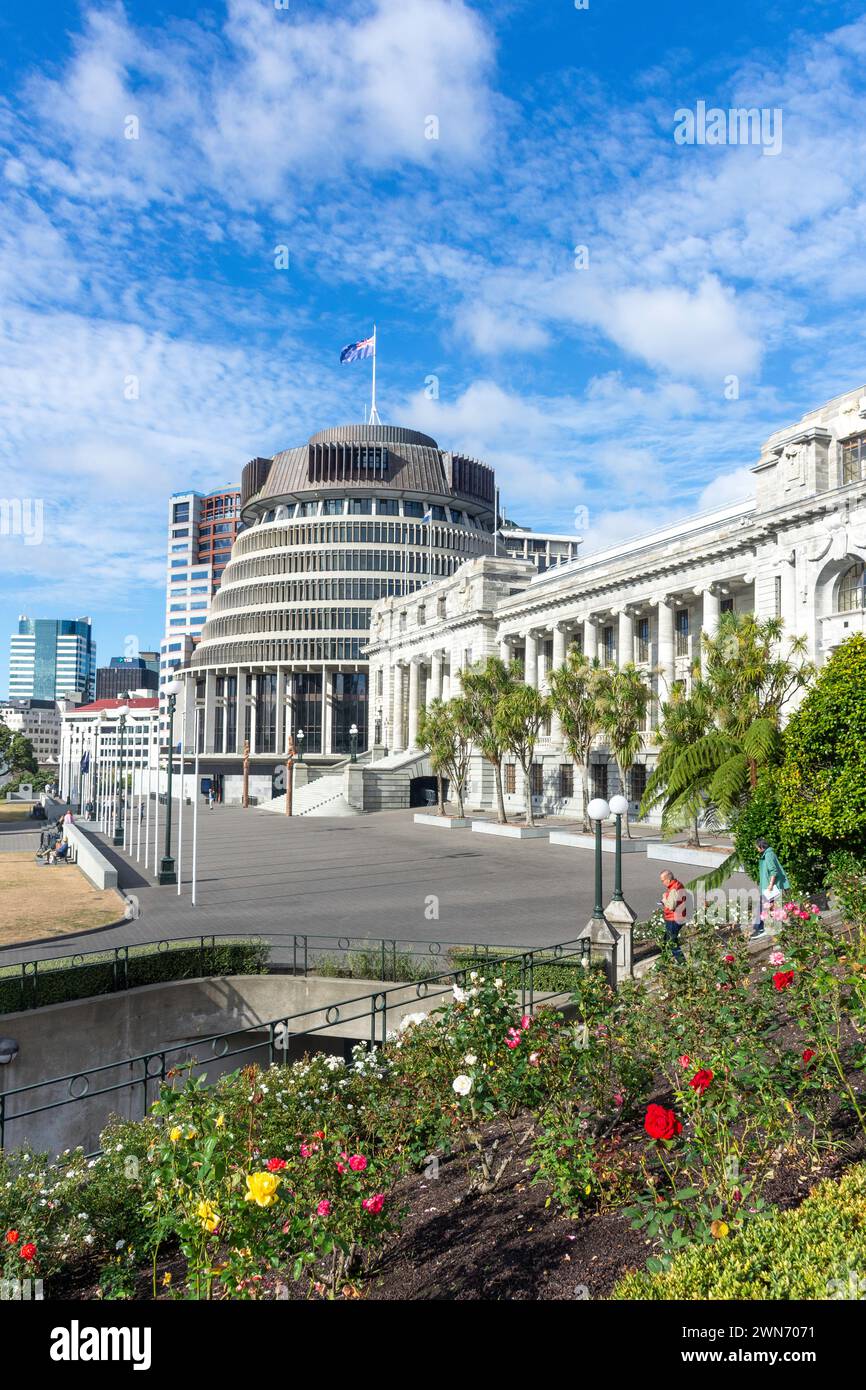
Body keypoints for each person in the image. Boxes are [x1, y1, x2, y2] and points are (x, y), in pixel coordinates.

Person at [751, 837, 790, 939]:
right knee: (768, 906)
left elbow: (773, 871)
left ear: (761, 846)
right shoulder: (767, 854)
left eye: (757, 847)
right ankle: (766, 928)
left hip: (771, 887)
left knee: (765, 907)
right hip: (768, 887)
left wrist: (771, 885)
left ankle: (763, 929)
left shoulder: (768, 855)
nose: (756, 849)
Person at [659, 869, 688, 963]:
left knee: (672, 943)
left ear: (668, 879)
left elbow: (671, 906)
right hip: (677, 917)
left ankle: (683, 964)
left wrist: (664, 899)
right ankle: (665, 962)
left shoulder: (674, 888)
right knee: (665, 941)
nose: (662, 883)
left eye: (662, 880)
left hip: (673, 919)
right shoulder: (678, 884)